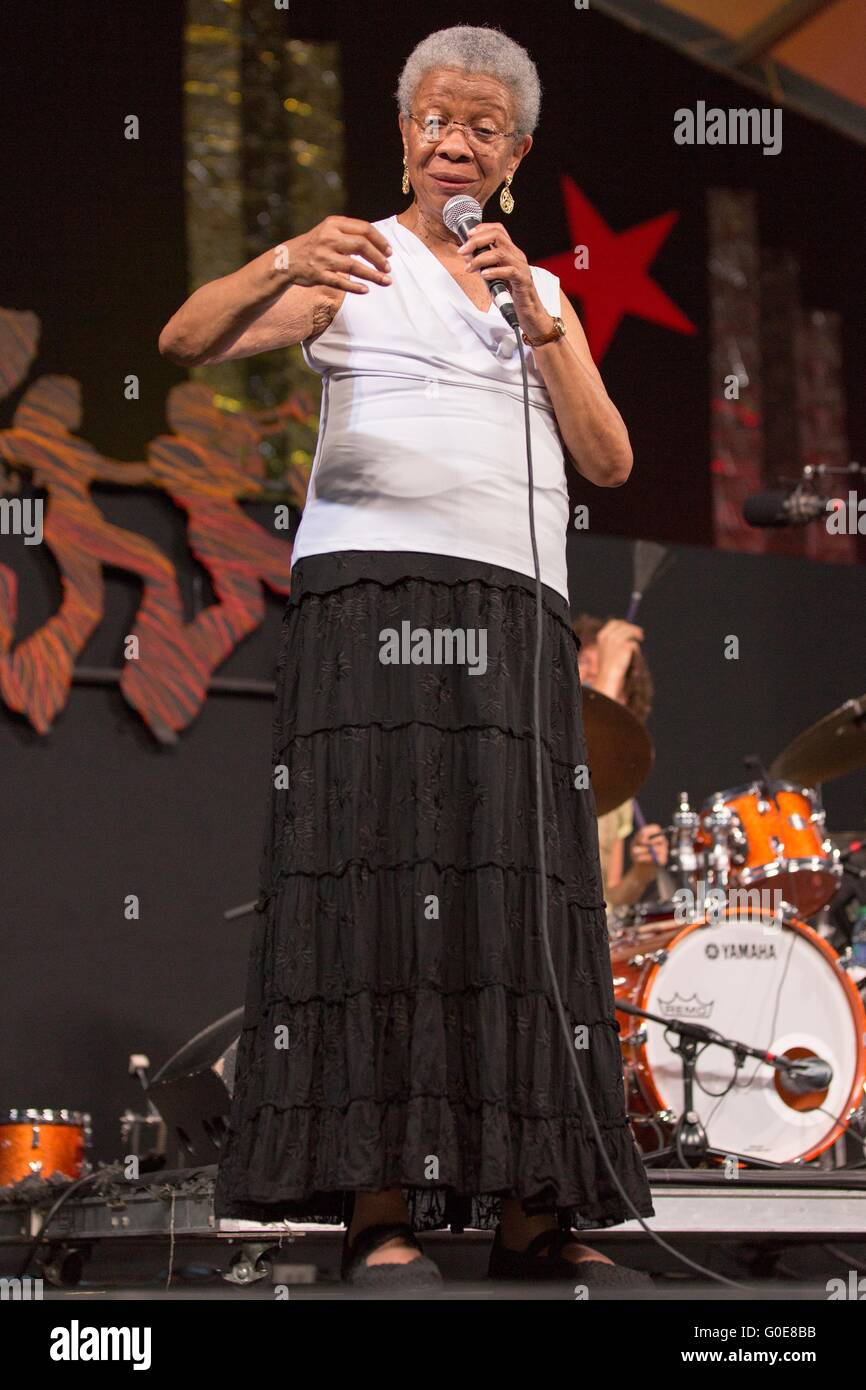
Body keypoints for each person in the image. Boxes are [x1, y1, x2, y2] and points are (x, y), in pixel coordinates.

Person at [160, 24, 654, 1289]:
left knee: (521, 903)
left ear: (515, 153)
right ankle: (378, 1213)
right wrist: (283, 251)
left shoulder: (536, 294)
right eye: (437, 118)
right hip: (366, 594)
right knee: (373, 884)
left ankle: (535, 1216)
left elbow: (606, 463)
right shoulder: (352, 263)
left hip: (510, 602)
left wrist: (535, 326)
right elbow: (186, 338)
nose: (455, 141)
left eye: (482, 127)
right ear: (403, 131)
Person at [572, 616, 669, 908]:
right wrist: (610, 672)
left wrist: (640, 875)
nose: (594, 673)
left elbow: (609, 905)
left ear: (625, 702)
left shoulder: (618, 792)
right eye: (586, 662)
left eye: (606, 669)